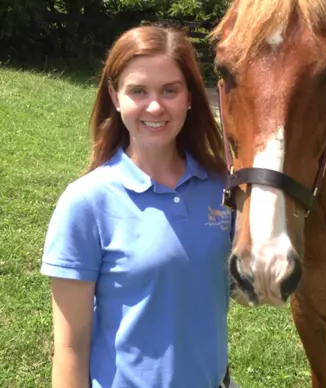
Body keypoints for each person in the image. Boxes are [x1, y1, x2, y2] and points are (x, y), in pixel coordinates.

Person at [40, 25, 239, 388]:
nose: (155, 106)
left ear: (190, 97)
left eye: (170, 90)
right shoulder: (86, 203)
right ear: (115, 97)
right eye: (138, 91)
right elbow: (70, 346)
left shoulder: (222, 188)